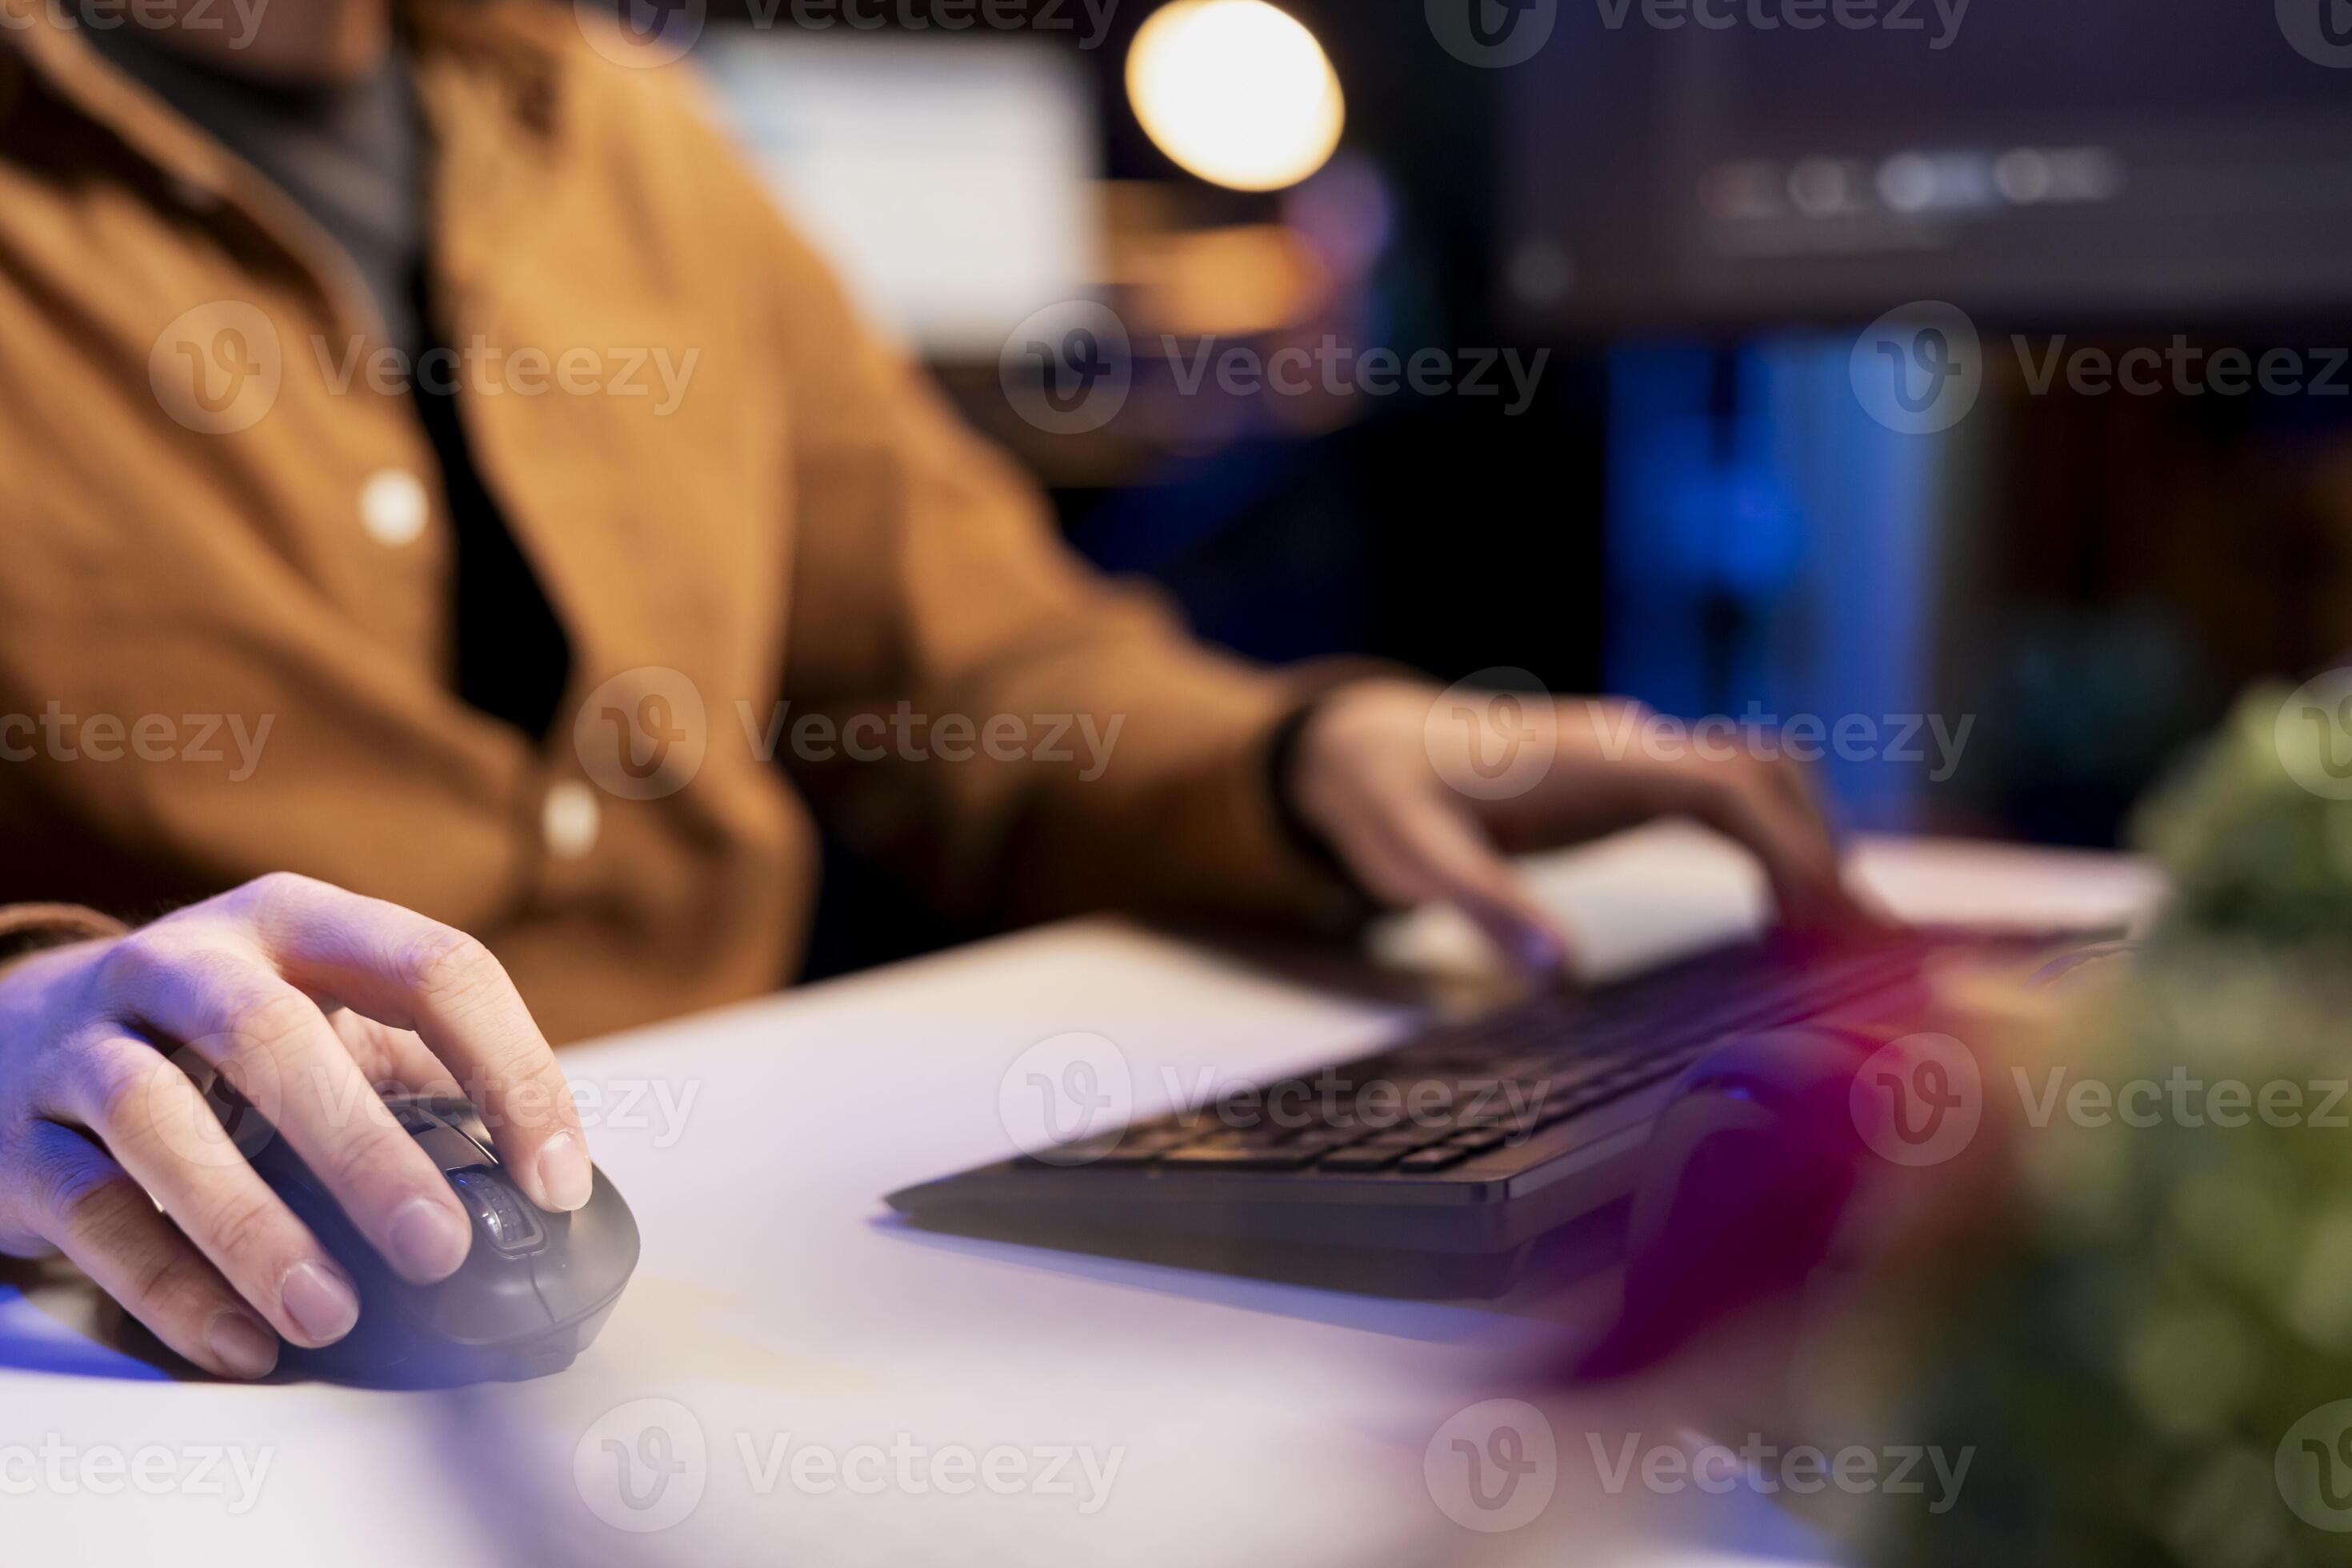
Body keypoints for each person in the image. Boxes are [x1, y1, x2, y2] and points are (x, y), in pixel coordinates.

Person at [0, 0, 1857, 1380]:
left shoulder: (626, 134)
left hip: (725, 1284)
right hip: (153, 1349)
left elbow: (979, 667)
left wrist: (1314, 754)